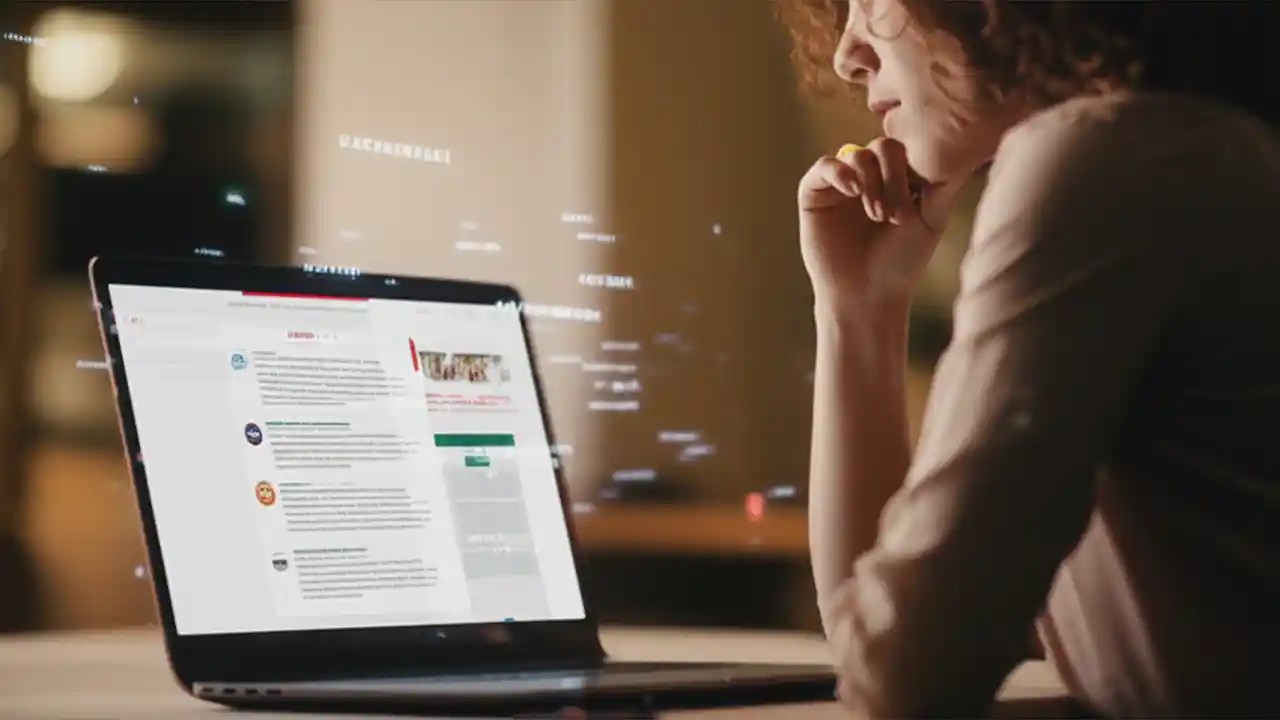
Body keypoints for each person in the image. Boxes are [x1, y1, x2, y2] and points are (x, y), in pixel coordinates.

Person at [777, 0, 1280, 717]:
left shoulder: (1104, 161)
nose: (846, 54)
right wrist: (859, 308)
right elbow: (882, 652)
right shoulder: (1191, 148)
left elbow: (907, 674)